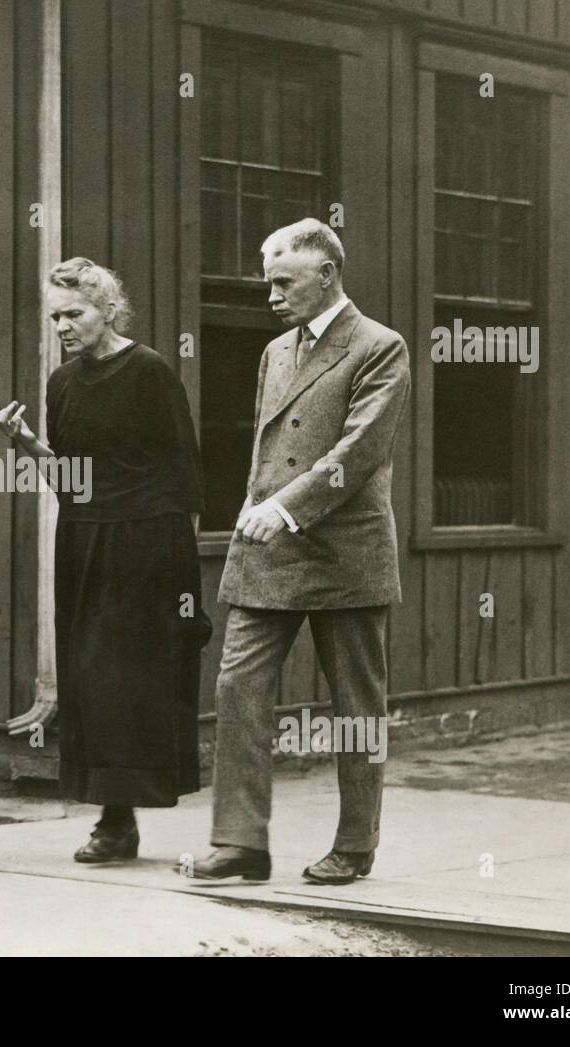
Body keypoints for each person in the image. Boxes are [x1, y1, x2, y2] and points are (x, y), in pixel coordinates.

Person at [184, 218, 410, 886]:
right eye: (268, 283)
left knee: (356, 706)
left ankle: (356, 842)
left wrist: (284, 509)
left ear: (327, 275)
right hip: (268, 552)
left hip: (345, 551)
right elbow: (267, 449)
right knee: (237, 684)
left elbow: (361, 451)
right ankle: (240, 842)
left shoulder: (379, 346)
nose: (272, 295)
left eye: (284, 282)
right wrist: (262, 512)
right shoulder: (275, 352)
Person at [0, 258, 207, 863]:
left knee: (133, 678)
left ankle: (121, 818)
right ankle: (113, 818)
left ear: (108, 311)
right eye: (55, 316)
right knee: (90, 676)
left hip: (146, 544)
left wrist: (181, 565)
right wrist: (29, 443)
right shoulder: (62, 382)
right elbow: (73, 482)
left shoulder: (150, 372)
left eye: (74, 314)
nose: (62, 326)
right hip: (85, 542)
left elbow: (185, 473)